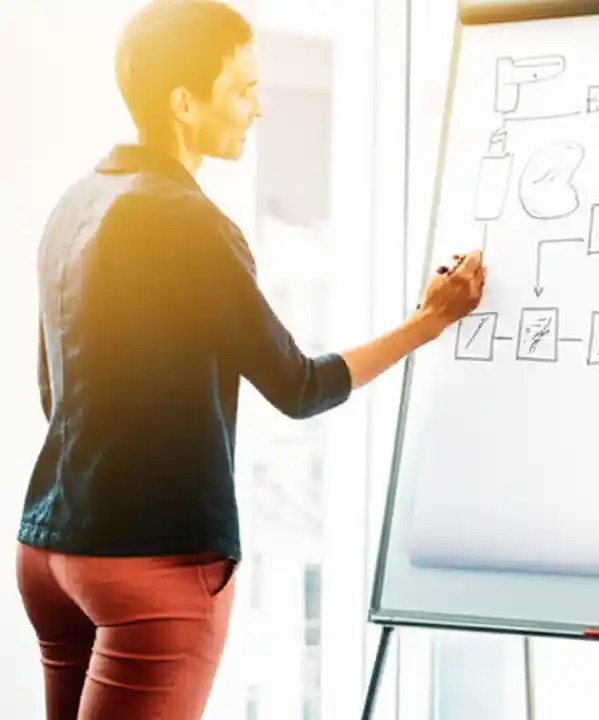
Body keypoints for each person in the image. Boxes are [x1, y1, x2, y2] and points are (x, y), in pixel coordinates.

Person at [15, 1, 485, 718]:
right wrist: (429, 321)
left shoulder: (77, 204)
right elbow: (299, 386)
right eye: (241, 89)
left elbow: (55, 392)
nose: (256, 107)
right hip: (151, 562)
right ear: (183, 103)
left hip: (49, 552)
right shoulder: (189, 222)